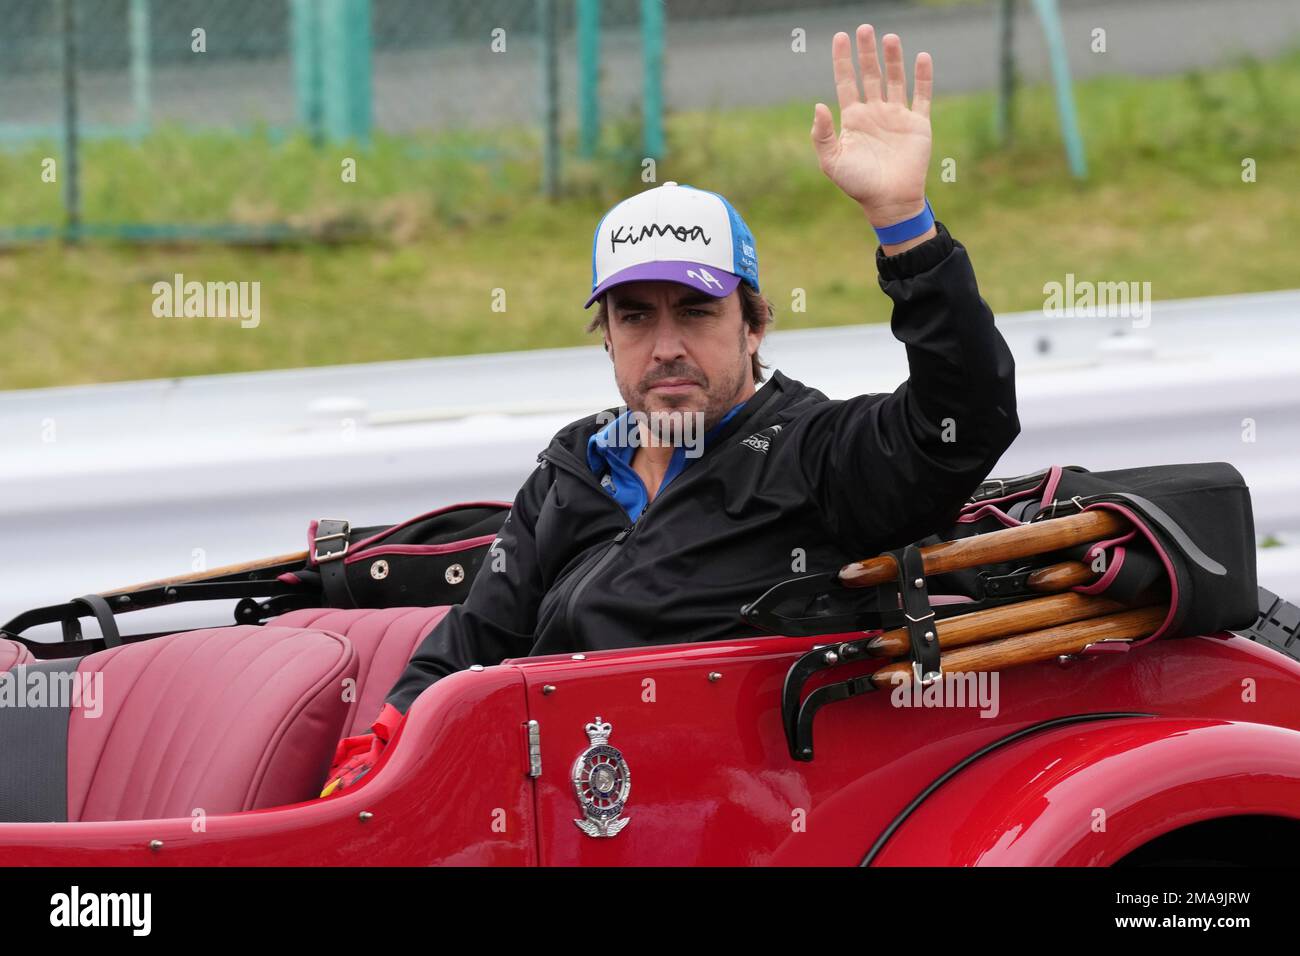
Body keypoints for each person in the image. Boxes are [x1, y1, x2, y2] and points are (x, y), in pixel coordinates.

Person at [320, 25, 1019, 796]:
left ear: (754, 326)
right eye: (636, 318)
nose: (664, 347)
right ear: (607, 338)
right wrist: (382, 749)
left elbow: (966, 417)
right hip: (549, 805)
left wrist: (906, 227)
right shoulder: (576, 464)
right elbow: (477, 638)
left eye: (695, 313)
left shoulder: (816, 453)